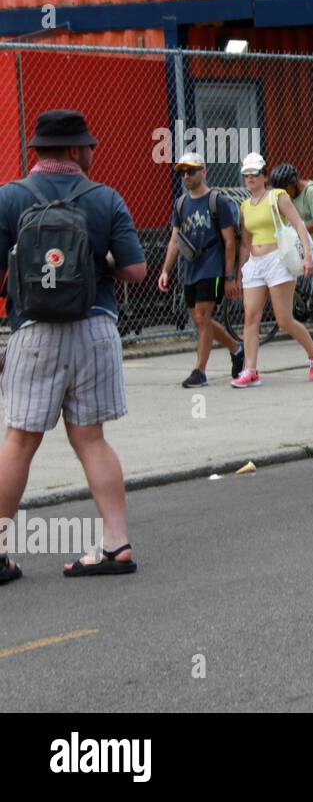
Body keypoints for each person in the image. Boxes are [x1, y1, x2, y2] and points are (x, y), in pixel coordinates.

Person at [0, 110, 147, 584]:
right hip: (95, 327)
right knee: (91, 439)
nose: (91, 153)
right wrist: (100, 259)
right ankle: (115, 545)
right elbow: (136, 273)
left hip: (34, 330)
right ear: (74, 150)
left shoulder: (10, 197)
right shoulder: (105, 198)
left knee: (20, 441)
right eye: (89, 146)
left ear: (38, 151)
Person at [232, 153, 313, 386]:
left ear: (264, 175)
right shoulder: (244, 206)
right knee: (250, 318)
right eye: (246, 174)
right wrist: (240, 270)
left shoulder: (278, 196)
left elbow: (298, 224)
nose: (250, 178)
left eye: (254, 173)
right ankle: (250, 369)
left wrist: (307, 256)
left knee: (284, 319)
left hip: (278, 259)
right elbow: (245, 242)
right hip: (254, 263)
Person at [158, 151, 244, 388]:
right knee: (198, 319)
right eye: (182, 172)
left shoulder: (218, 202)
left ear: (203, 172)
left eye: (191, 171)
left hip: (212, 268)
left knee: (204, 317)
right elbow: (174, 240)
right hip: (190, 269)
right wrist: (166, 270)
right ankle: (237, 349)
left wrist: (229, 276)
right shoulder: (181, 203)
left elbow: (229, 242)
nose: (186, 176)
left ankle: (200, 371)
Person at [271, 162, 313, 254]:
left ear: (294, 182)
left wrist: (297, 231)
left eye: (284, 189)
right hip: (310, 250)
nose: (283, 194)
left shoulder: (311, 192)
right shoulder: (290, 196)